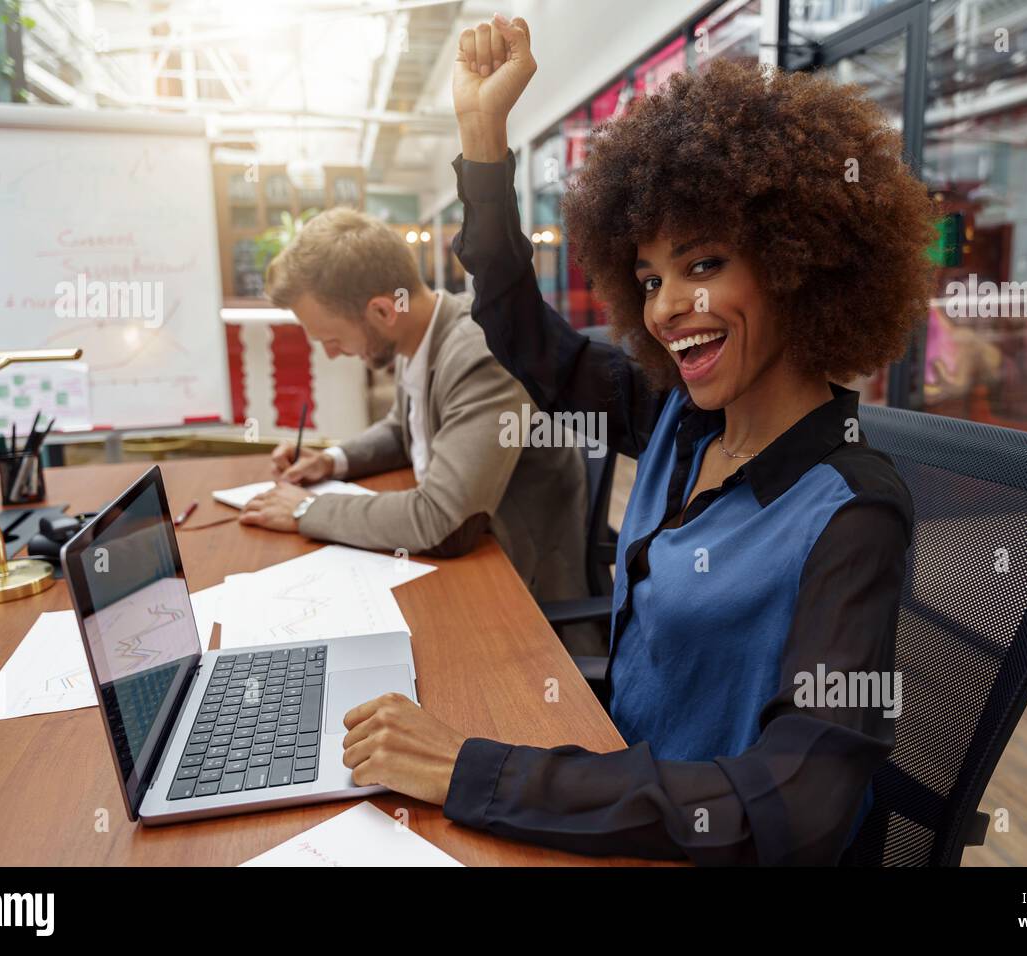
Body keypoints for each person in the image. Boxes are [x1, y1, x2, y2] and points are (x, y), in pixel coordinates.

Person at [338, 15, 937, 865]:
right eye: (651, 278)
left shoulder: (853, 513)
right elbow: (519, 333)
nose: (662, 308)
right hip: (609, 792)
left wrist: (481, 772)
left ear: (799, 265)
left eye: (702, 266)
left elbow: (797, 802)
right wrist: (482, 133)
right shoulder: (680, 425)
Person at [244, 207, 596, 650]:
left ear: (382, 310)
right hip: (468, 563)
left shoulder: (480, 353)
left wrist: (304, 512)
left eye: (330, 339)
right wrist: (332, 461)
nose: (332, 354)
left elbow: (440, 521)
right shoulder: (420, 336)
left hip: (516, 589)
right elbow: (402, 429)